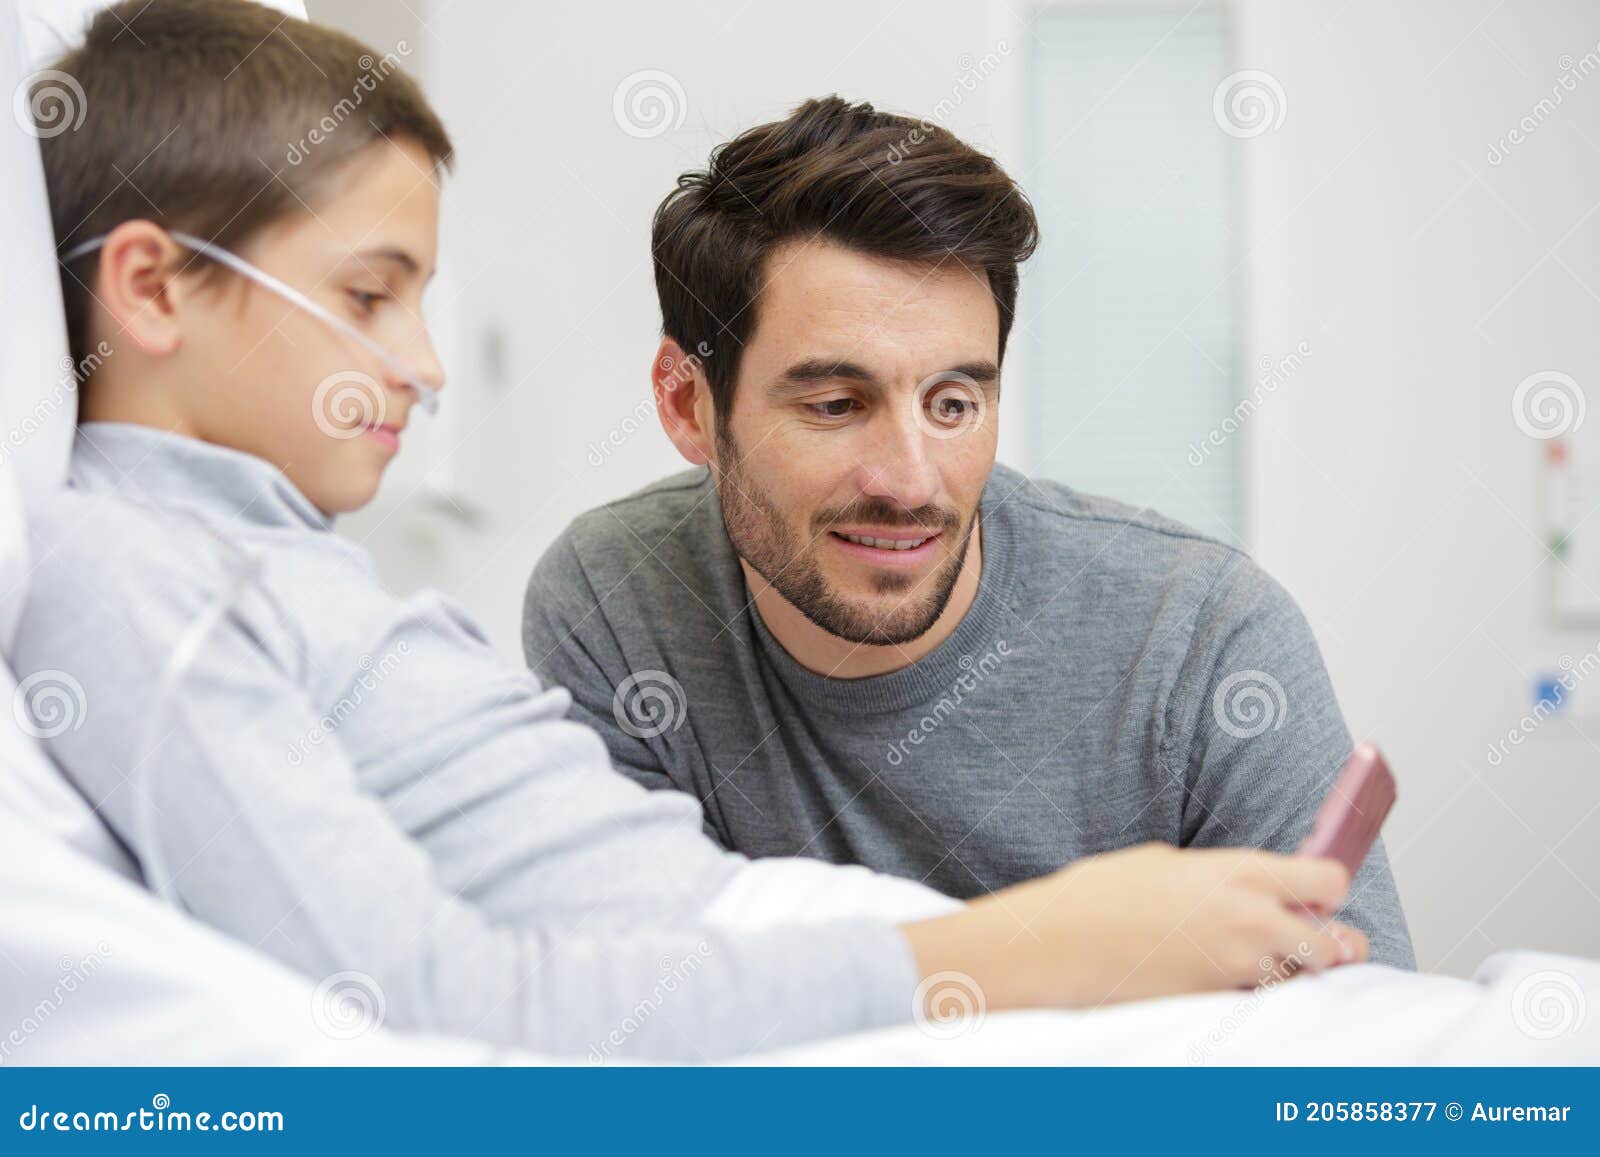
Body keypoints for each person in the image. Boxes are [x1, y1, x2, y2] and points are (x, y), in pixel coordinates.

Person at [11, 0, 1371, 1064]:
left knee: (1412, 1057)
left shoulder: (1204, 623)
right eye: (372, 295)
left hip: (853, 970)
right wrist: (1024, 953)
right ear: (153, 285)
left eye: (958, 398)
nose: (426, 366)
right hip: (852, 993)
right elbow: (428, 996)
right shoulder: (137, 587)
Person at [523, 96, 1415, 970]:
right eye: (836, 404)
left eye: (955, 403)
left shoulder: (1204, 636)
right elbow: (628, 1002)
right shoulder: (614, 604)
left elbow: (1361, 1074)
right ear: (688, 404)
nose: (911, 481)